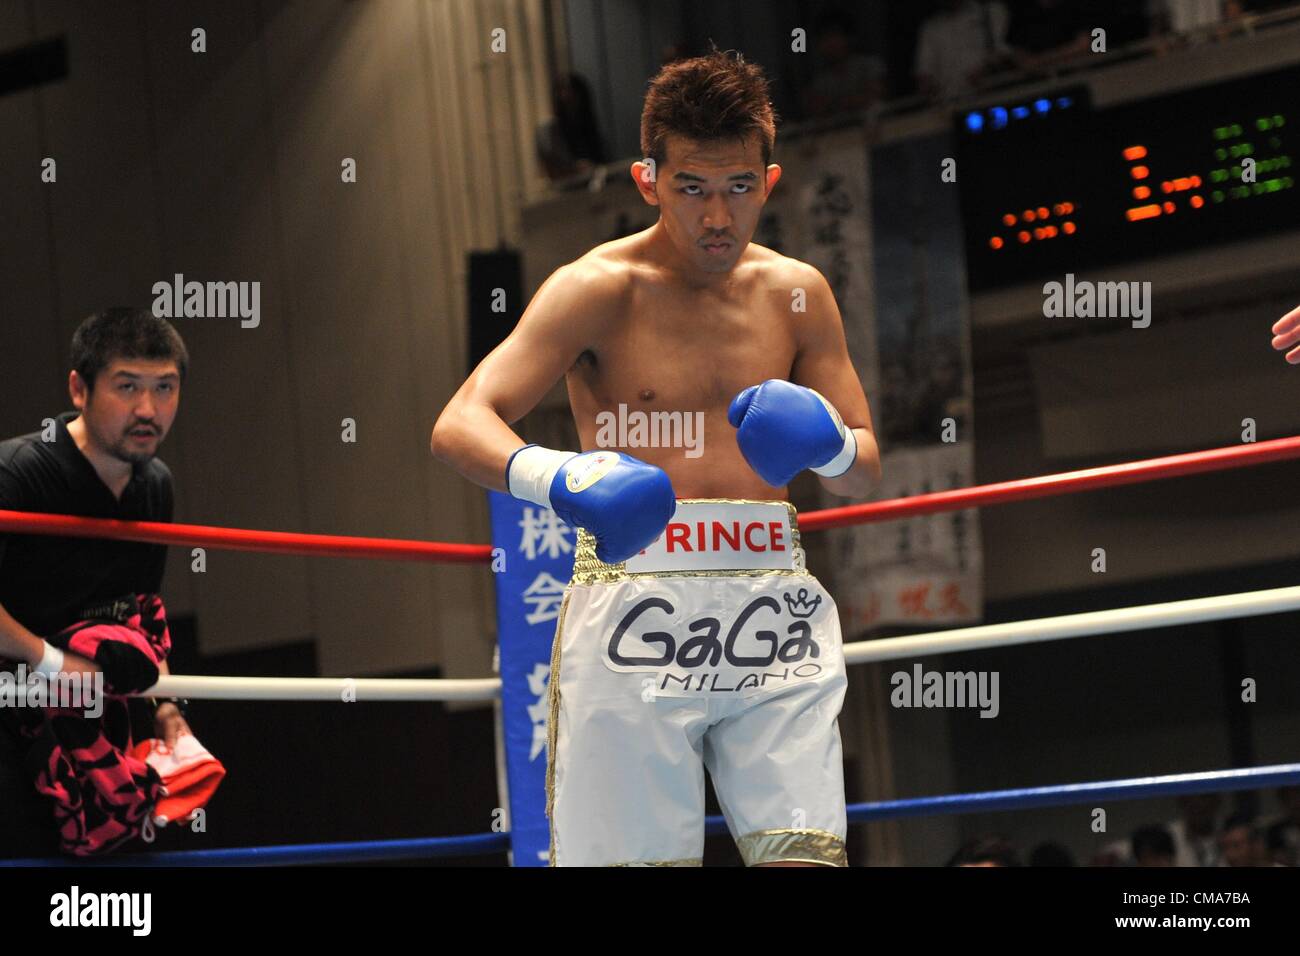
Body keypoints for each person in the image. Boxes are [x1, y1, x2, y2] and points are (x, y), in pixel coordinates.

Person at [432, 50, 882, 866]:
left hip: (770, 607)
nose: (718, 216)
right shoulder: (596, 289)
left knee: (808, 860)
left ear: (769, 183)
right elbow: (463, 422)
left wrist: (830, 444)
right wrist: (563, 476)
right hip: (634, 609)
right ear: (647, 181)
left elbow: (865, 465)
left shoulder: (799, 294)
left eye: (739, 188)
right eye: (693, 188)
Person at [0, 307, 194, 856]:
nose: (147, 409)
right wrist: (56, 665)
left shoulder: (155, 486)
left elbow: (142, 612)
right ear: (79, 389)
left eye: (165, 387)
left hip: (92, 713)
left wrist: (167, 707)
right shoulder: (17, 471)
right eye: (127, 386)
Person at [914, 0, 1012, 102]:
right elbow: (924, 70)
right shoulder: (931, 27)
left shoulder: (989, 12)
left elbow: (1006, 51)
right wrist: (928, 89)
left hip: (993, 95)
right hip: (950, 102)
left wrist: (987, 70)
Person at [802, 10, 886, 119]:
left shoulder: (869, 65)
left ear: (849, 37)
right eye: (824, 38)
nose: (830, 44)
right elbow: (817, 108)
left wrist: (836, 103)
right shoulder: (821, 81)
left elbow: (875, 96)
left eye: (834, 36)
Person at [535, 73, 609, 183]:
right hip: (564, 189)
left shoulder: (588, 126)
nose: (566, 96)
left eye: (572, 93)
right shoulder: (548, 130)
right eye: (562, 92)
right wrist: (575, 168)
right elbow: (550, 169)